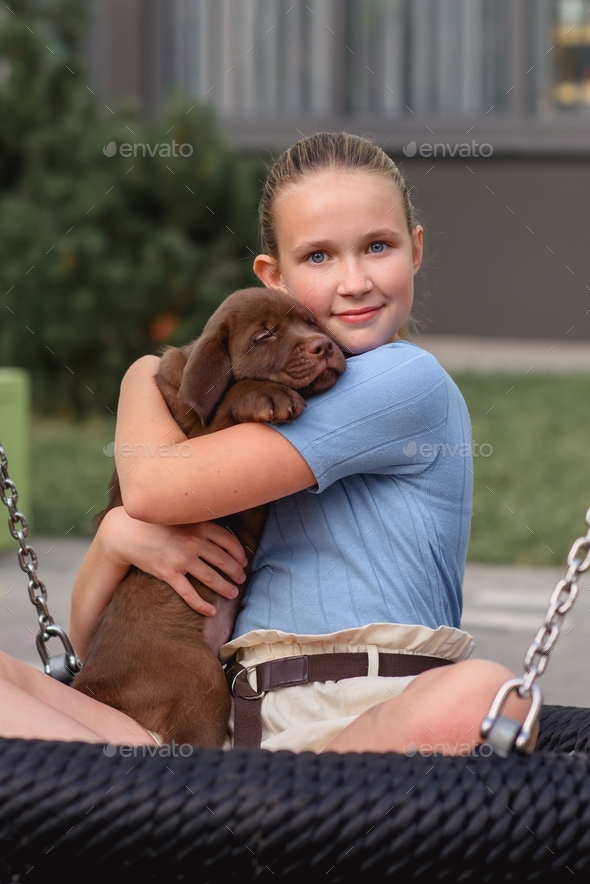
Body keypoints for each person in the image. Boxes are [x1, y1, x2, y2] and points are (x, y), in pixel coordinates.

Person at [0, 132, 536, 753]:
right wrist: (115, 536)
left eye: (378, 246)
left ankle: (238, 820)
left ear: (416, 250)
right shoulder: (266, 409)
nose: (354, 280)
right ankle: (198, 816)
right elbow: (92, 637)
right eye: (318, 257)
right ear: (272, 277)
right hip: (231, 732)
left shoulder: (403, 380)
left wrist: (139, 375)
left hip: (363, 718)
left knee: (486, 694)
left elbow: (153, 485)